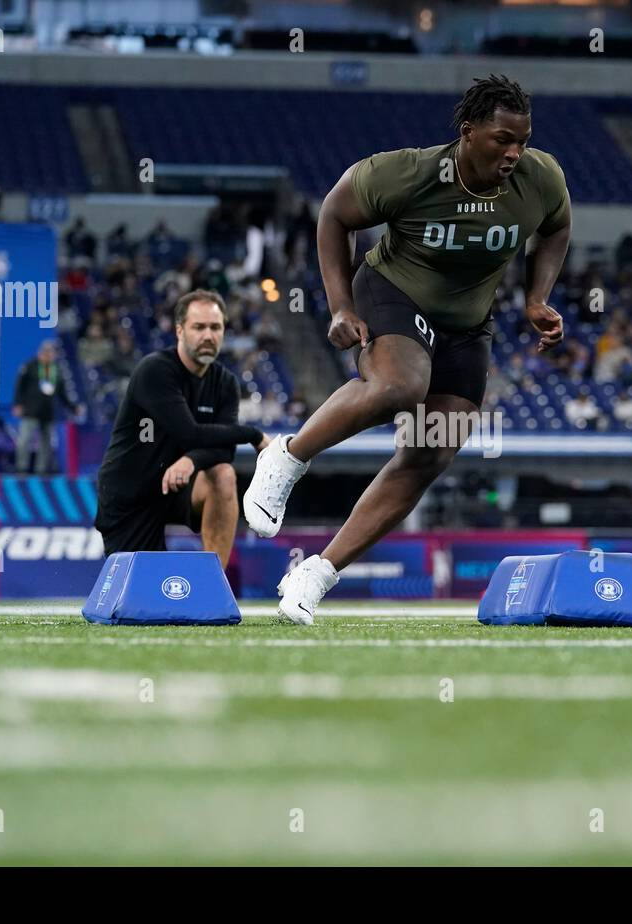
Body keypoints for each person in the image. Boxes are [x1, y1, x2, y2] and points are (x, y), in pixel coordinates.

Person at [243, 74, 571, 623]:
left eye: (523, 139)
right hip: (392, 293)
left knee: (431, 451)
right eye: (501, 140)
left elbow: (556, 227)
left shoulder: (541, 178)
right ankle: (286, 456)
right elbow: (334, 214)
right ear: (468, 133)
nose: (514, 152)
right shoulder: (409, 173)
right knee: (400, 384)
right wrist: (341, 305)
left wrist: (537, 296)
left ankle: (316, 573)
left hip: (467, 327)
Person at [94, 290, 269, 568]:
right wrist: (253, 435)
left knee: (223, 474)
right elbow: (189, 433)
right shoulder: (155, 370)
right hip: (131, 492)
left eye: (216, 327)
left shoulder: (225, 383)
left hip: (179, 487)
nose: (208, 335)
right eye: (199, 327)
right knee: (144, 601)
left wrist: (191, 461)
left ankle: (214, 586)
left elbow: (223, 450)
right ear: (179, 330)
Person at [13, 340, 80, 474]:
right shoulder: (30, 366)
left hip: (47, 412)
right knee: (24, 440)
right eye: (46, 353)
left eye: (51, 354)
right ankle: (21, 469)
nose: (49, 356)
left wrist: (73, 407)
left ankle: (41, 470)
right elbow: (19, 386)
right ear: (41, 353)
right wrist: (18, 404)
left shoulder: (56, 370)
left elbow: (62, 393)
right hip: (30, 410)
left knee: (46, 443)